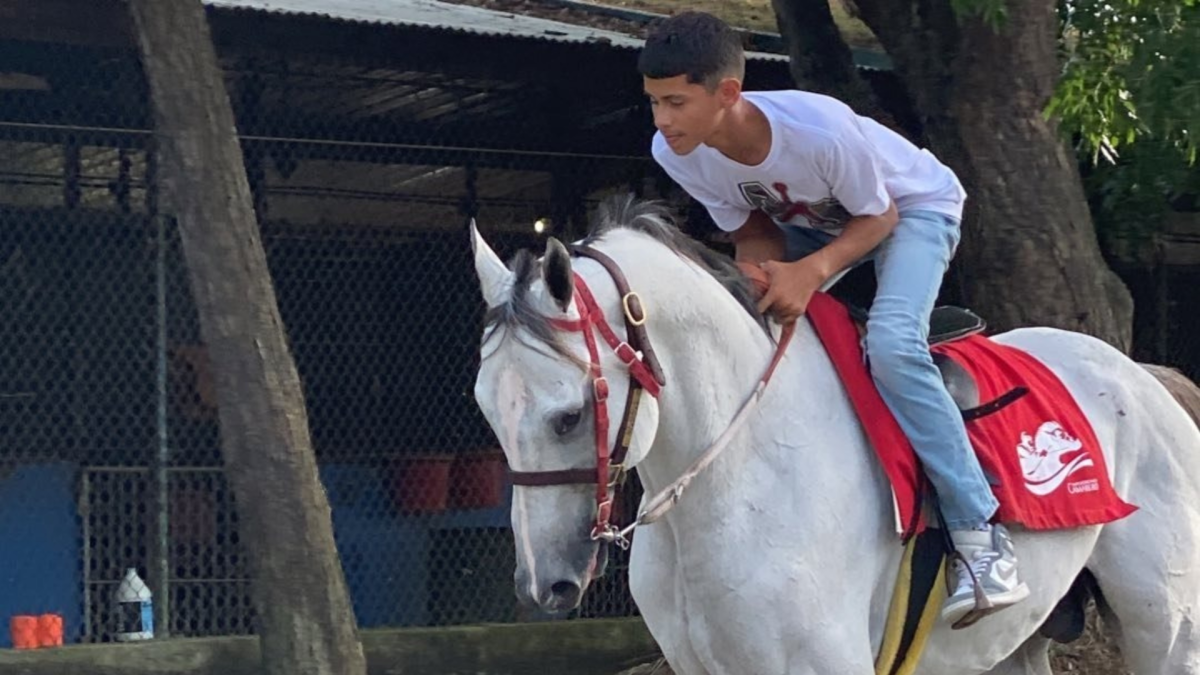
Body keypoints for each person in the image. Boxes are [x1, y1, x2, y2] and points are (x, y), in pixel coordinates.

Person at [636, 11, 1029, 627]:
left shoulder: (817, 130)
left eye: (677, 103)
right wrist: (760, 282)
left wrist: (810, 273)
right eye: (655, 102)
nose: (662, 121)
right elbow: (755, 229)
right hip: (811, 227)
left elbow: (879, 220)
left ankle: (981, 536)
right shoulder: (676, 151)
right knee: (744, 335)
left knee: (895, 349)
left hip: (911, 210)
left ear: (728, 94)